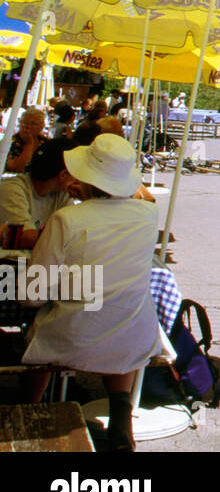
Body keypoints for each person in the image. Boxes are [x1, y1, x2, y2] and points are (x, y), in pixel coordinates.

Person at [20, 134, 161, 452]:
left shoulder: (66, 219)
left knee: (41, 326)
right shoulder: (148, 215)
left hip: (75, 336)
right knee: (116, 314)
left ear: (82, 177)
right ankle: (121, 413)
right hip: (134, 336)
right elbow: (136, 201)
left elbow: (33, 293)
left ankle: (27, 408)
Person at [0, 138, 75, 245]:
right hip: (11, 260)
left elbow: (74, 230)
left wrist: (88, 199)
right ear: (63, 175)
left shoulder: (62, 193)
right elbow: (24, 237)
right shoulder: (12, 189)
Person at [6, 108, 47, 173]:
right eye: (25, 123)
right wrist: (29, 144)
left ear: (42, 126)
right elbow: (15, 169)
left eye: (33, 124)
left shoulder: (45, 142)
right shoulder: (10, 141)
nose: (28, 126)